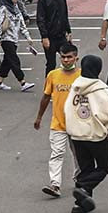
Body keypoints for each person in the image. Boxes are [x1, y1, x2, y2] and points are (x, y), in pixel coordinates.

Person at [65, 55, 108, 213]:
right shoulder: (100, 89)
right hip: (96, 135)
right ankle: (81, 187)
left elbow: (68, 108)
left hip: (77, 135)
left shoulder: (75, 86)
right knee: (103, 167)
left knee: (86, 167)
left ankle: (81, 203)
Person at [34, 43, 81, 198]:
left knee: (79, 155)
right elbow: (46, 97)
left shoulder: (82, 76)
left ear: (76, 58)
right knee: (57, 153)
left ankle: (79, 179)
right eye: (63, 57)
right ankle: (55, 184)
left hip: (78, 125)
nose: (66, 60)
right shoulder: (53, 75)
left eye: (69, 57)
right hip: (58, 123)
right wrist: (39, 117)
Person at [0, 0, 37, 92]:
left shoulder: (16, 9)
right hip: (6, 39)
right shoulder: (3, 9)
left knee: (7, 61)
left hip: (15, 39)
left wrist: (28, 37)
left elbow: (22, 25)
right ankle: (23, 82)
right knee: (14, 60)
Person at [37, 0, 72, 77]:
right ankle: (49, 85)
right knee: (51, 63)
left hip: (61, 36)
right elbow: (41, 19)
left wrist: (68, 31)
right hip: (50, 37)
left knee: (68, 60)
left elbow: (65, 16)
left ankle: (67, 82)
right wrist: (44, 37)